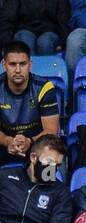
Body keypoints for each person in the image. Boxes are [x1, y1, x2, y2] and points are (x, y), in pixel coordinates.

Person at [0, 40, 59, 168]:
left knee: (51, 152)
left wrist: (29, 141)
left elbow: (51, 131)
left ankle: (48, 186)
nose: (17, 70)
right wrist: (8, 141)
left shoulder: (45, 87)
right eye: (12, 64)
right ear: (4, 65)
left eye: (22, 64)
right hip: (4, 144)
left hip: (37, 143)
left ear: (30, 65)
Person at [0, 3, 68, 57]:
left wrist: (62, 42)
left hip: (50, 31)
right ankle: (28, 72)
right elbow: (8, 18)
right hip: (23, 29)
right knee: (26, 39)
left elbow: (63, 19)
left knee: (45, 42)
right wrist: (7, 43)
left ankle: (46, 73)